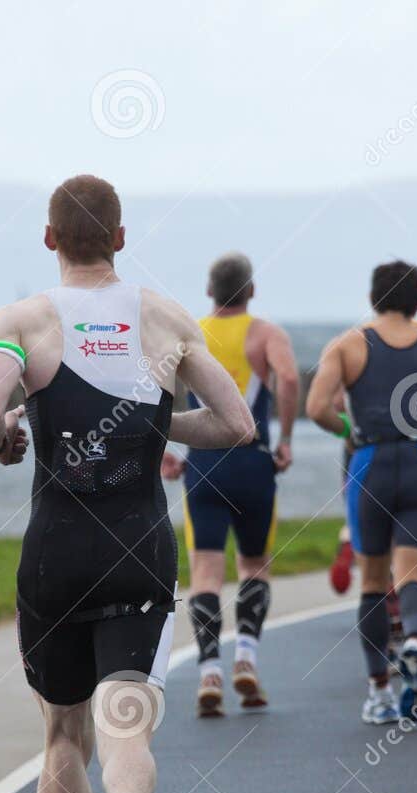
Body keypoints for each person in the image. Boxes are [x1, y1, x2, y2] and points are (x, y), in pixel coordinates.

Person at [0, 174, 254, 793]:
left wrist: (6, 441)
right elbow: (236, 423)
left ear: (49, 240)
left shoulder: (22, 321)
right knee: (127, 725)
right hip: (137, 550)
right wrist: (155, 424)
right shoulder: (165, 318)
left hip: (54, 556)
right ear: (121, 239)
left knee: (63, 736)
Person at [306, 260, 417, 724]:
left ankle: (380, 693)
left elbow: (316, 407)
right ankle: (416, 640)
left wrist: (348, 429)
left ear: (373, 297)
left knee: (371, 581)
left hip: (370, 464)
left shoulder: (347, 345)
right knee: (412, 576)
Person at [161, 253, 300, 717]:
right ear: (251, 291)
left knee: (205, 572)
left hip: (203, 465)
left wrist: (163, 449)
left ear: (209, 291)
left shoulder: (189, 333)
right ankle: (246, 659)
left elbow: (154, 390)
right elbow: (289, 377)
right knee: (255, 566)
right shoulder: (266, 334)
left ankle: (209, 672)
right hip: (254, 461)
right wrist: (285, 439)